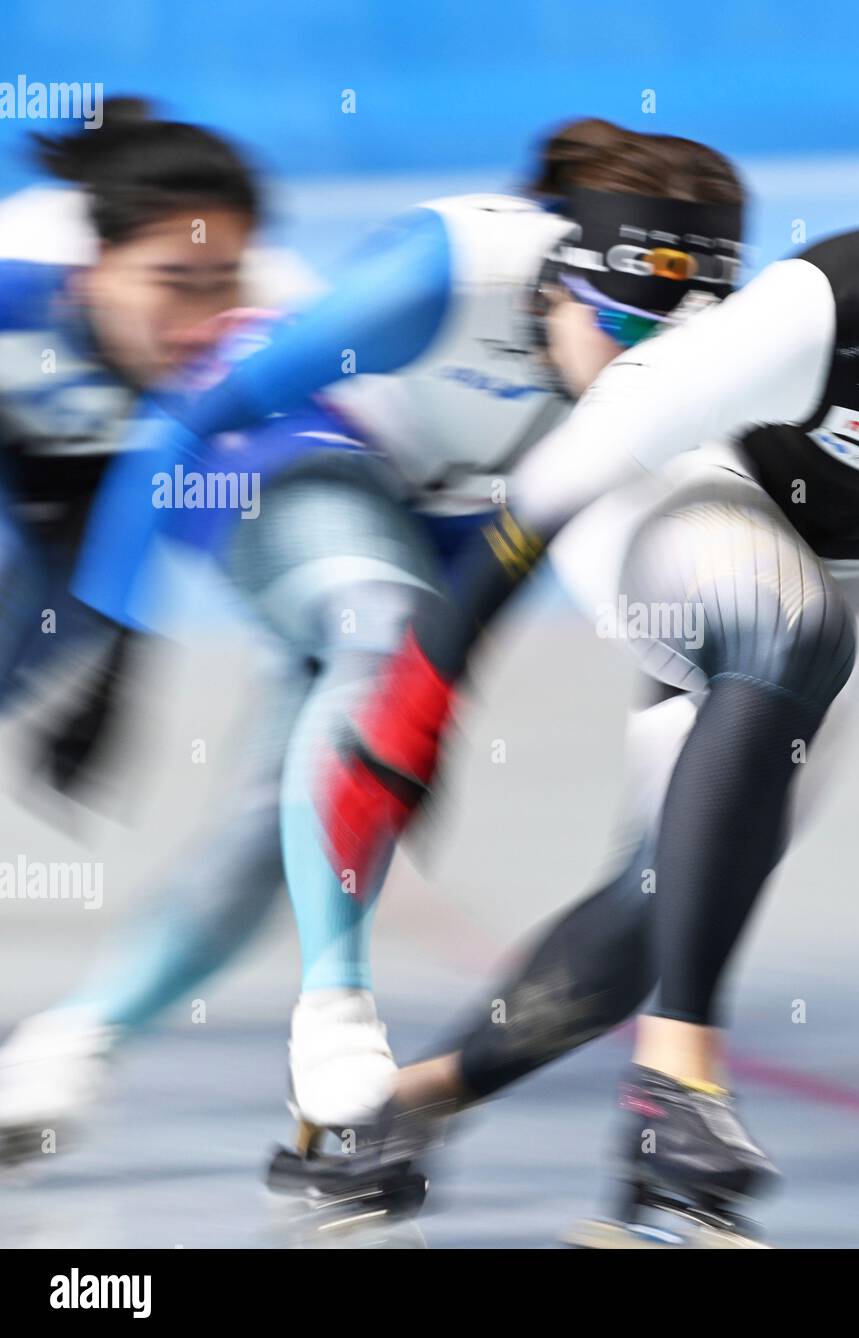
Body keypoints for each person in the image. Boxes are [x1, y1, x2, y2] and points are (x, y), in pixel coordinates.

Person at [298, 95, 859, 1245]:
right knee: (790, 628)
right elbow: (537, 504)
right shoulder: (809, 318)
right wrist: (421, 696)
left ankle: (399, 1113)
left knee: (662, 905)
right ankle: (680, 1089)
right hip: (668, 495)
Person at [70, 119, 749, 1163]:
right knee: (380, 635)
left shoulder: (657, 374)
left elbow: (508, 553)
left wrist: (436, 700)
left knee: (280, 827)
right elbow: (185, 421)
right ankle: (336, 1015)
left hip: (441, 514)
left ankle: (75, 1039)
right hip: (296, 448)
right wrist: (111, 652)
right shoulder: (444, 276)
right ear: (557, 278)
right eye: (619, 326)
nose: (636, 371)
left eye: (673, 348)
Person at [0, 98, 323, 1161]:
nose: (199, 322)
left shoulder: (280, 336)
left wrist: (115, 679)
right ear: (92, 269)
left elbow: (156, 504)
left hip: (107, 544)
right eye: (171, 286)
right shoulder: (14, 304)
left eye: (223, 282)